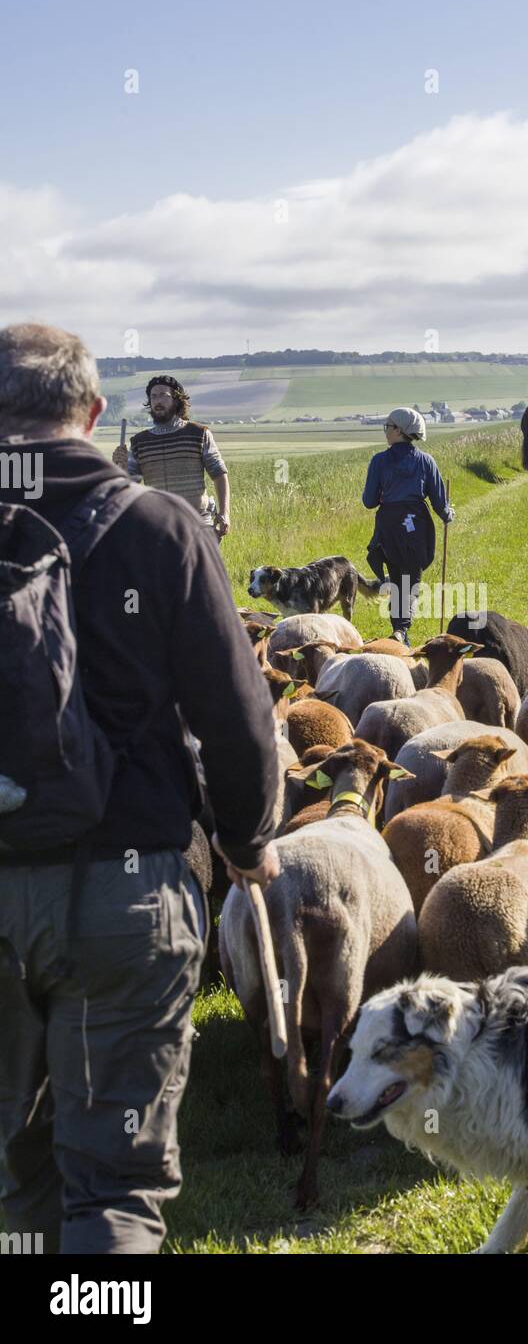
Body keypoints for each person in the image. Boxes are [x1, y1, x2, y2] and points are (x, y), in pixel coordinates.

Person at [0, 323, 280, 1254]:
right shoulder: (159, 527)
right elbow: (236, 717)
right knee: (113, 1187)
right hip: (124, 892)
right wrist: (245, 840)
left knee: (18, 1168)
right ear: (91, 413)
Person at [362, 407, 453, 644]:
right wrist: (447, 515)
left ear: (399, 430)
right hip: (416, 526)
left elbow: (369, 501)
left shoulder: (379, 461)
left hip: (389, 526)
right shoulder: (426, 461)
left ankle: (400, 632)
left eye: (388, 426)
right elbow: (440, 503)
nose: (385, 431)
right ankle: (401, 632)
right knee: (410, 581)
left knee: (397, 579)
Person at [112, 375, 231, 539]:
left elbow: (219, 474)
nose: (157, 401)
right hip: (158, 528)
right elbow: (129, 485)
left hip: (198, 525)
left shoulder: (199, 434)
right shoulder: (139, 442)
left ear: (176, 400)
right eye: (153, 396)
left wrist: (224, 513)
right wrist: (120, 466)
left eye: (163, 395)